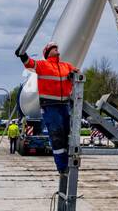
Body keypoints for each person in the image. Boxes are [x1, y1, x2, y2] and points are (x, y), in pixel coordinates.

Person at [16, 42, 78, 175]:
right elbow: (29, 64)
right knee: (56, 135)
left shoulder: (66, 66)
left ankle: (67, 162)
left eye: (56, 47)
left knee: (66, 135)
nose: (56, 49)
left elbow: (77, 72)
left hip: (64, 105)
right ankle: (62, 167)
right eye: (53, 48)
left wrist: (74, 74)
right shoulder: (43, 65)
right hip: (50, 106)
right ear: (48, 52)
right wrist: (22, 55)